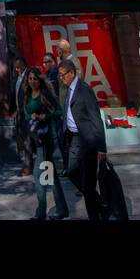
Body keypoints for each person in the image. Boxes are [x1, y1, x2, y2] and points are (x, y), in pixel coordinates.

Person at [56, 58, 105, 220]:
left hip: (88, 140)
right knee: (71, 172)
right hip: (74, 140)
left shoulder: (84, 90)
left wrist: (101, 147)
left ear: (72, 73)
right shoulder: (68, 90)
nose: (61, 78)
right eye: (60, 75)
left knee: (88, 185)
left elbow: (95, 118)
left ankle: (95, 215)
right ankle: (99, 204)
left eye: (63, 75)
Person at [23, 66, 70, 220]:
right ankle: (62, 210)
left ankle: (41, 212)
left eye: (35, 78)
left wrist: (44, 116)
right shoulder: (28, 95)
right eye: (30, 79)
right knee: (51, 176)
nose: (32, 81)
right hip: (37, 138)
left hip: (47, 138)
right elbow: (26, 115)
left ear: (39, 79)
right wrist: (31, 117)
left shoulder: (45, 93)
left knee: (38, 174)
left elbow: (59, 111)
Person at [11, 57, 32, 176]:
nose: (16, 69)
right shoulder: (17, 78)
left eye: (18, 67)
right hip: (20, 113)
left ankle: (28, 166)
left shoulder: (29, 76)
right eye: (15, 67)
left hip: (27, 113)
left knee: (27, 140)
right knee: (24, 139)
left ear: (23, 65)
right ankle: (28, 164)